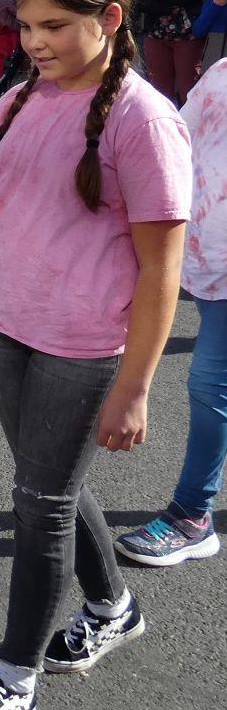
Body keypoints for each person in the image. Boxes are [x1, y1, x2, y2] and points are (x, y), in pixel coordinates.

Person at [0, 0, 189, 710]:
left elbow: (162, 270)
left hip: (83, 348)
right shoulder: (19, 98)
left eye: (55, 26)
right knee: (51, 487)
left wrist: (135, 388)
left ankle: (14, 678)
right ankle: (114, 608)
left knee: (40, 503)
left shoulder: (144, 120)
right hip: (8, 326)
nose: (35, 42)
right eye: (28, 26)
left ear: (110, 19)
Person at [115, 55, 226, 567]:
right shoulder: (222, 73)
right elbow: (176, 136)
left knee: (210, 384)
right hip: (206, 257)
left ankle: (191, 516)